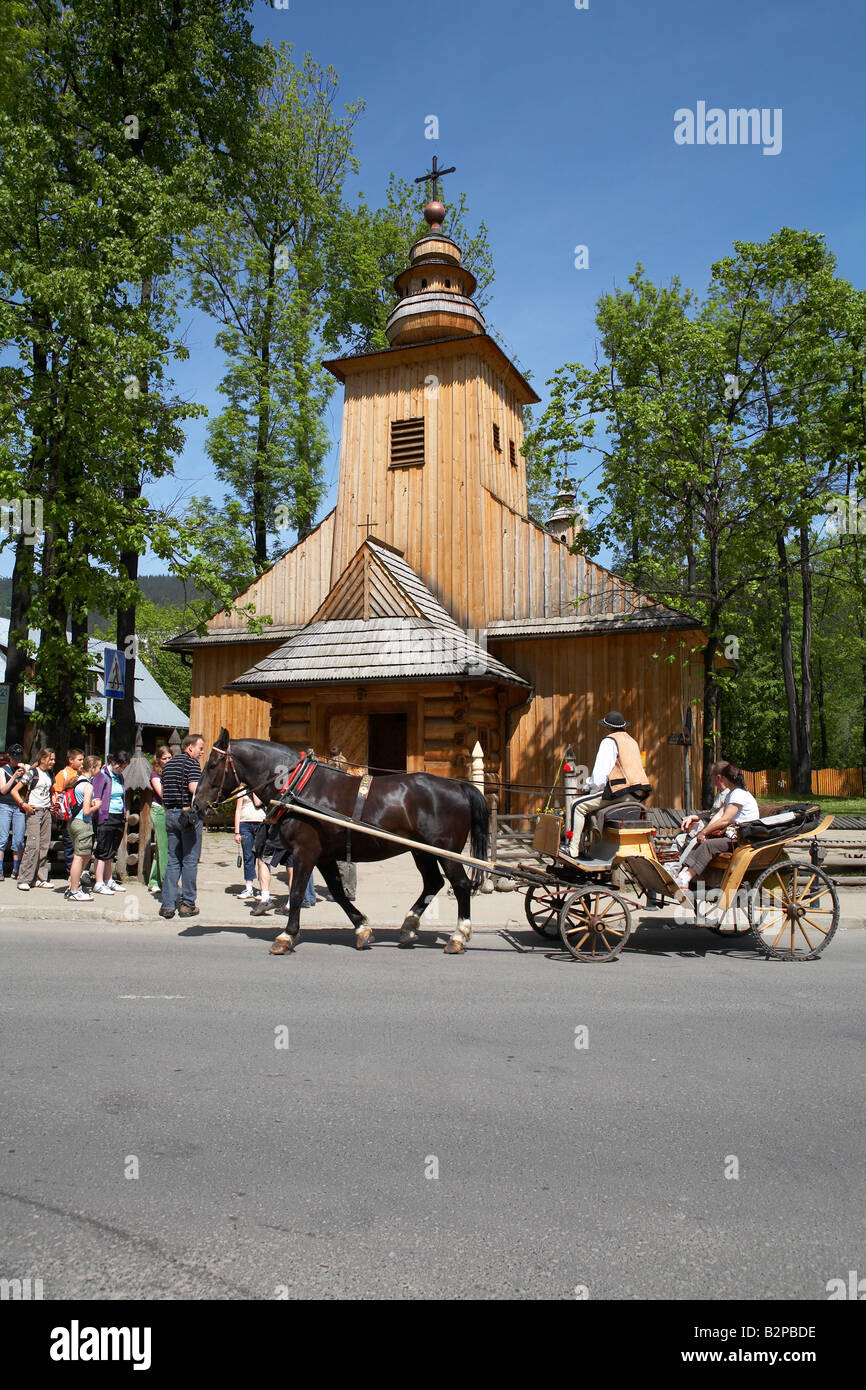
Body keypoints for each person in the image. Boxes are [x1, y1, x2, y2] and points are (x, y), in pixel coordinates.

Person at [568, 711, 647, 856]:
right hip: (637, 794)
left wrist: (587, 787)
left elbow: (599, 777)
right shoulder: (632, 741)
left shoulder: (609, 741)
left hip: (620, 792)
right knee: (590, 802)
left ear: (608, 727)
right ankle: (592, 833)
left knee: (577, 806)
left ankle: (574, 850)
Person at [674, 762, 760, 890]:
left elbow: (725, 820)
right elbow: (720, 815)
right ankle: (682, 872)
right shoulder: (732, 793)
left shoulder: (738, 794)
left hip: (743, 839)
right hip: (735, 834)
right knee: (701, 841)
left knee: (708, 845)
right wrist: (704, 833)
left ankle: (685, 877)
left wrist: (704, 832)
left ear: (724, 778)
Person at [160, 733, 205, 920]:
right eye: (200, 748)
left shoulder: (168, 764)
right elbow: (194, 788)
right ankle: (187, 903)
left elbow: (164, 789)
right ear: (190, 748)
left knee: (173, 860)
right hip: (187, 815)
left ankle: (168, 905)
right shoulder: (192, 764)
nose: (202, 752)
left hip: (170, 813)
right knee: (189, 859)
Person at [14, 747, 56, 889]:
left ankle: (40, 877)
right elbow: (15, 790)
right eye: (51, 759)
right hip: (33, 811)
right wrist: (23, 804)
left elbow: (49, 792)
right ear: (43, 759)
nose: (53, 762)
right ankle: (24, 879)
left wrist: (51, 804)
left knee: (44, 845)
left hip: (46, 812)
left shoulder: (49, 774)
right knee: (33, 845)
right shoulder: (32, 773)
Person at [65, 754, 103, 901]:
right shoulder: (88, 785)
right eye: (99, 767)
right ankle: (74, 890)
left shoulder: (77, 781)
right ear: (92, 768)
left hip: (73, 821)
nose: (99, 770)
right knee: (79, 857)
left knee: (85, 855)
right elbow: (86, 811)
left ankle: (73, 886)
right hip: (83, 823)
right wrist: (97, 806)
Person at [91, 751, 129, 894]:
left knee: (112, 849)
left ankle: (108, 879)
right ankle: (99, 882)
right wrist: (100, 816)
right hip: (106, 816)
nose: (122, 770)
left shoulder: (120, 777)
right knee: (102, 849)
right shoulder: (102, 775)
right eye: (121, 767)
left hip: (118, 816)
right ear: (114, 763)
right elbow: (96, 795)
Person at [52, 748, 85, 876]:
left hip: (81, 814)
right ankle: (71, 874)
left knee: (80, 844)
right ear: (71, 760)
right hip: (68, 815)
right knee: (69, 844)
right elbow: (56, 793)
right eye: (80, 760)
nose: (82, 762)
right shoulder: (63, 774)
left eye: (83, 759)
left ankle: (80, 873)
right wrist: (58, 810)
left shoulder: (82, 773)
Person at [0, 744, 28, 880]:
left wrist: (26, 771)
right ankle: (0, 869)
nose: (17, 760)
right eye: (15, 757)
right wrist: (13, 777)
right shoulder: (3, 770)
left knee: (18, 839)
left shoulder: (23, 769)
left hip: (19, 807)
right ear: (9, 756)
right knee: (3, 838)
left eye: (19, 757)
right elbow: (3, 790)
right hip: (5, 805)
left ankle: (16, 869)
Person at [147, 745, 171, 896]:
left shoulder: (171, 772)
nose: (167, 761)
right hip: (159, 810)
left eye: (169, 758)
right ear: (158, 760)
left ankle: (153, 881)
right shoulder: (155, 775)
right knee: (164, 847)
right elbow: (162, 793)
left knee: (160, 849)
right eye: (164, 758)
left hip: (169, 810)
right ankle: (166, 881)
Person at [234, 789, 267, 901]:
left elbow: (258, 803)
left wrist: (255, 788)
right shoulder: (241, 792)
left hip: (260, 823)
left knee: (263, 858)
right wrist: (237, 832)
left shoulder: (261, 789)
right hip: (245, 825)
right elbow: (238, 810)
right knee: (248, 856)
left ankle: (264, 890)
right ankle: (249, 888)